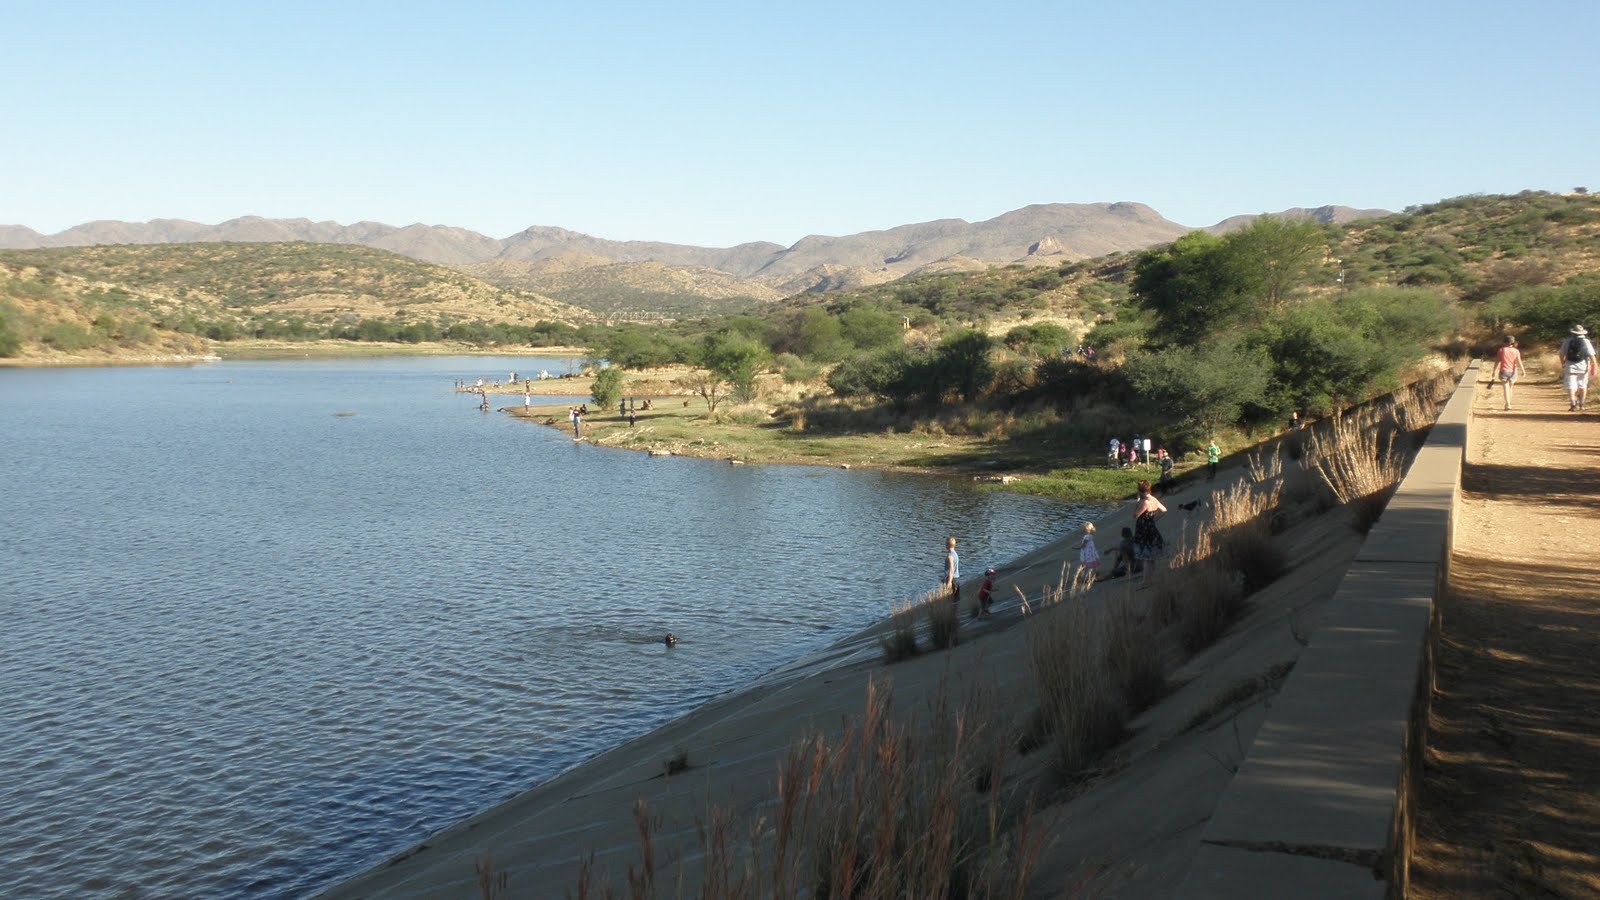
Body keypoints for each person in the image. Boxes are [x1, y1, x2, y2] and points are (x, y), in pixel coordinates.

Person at [1557, 325, 1596, 412]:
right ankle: (1582, 404)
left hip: (1570, 366)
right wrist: (1594, 365)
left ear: (1573, 332)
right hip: (1583, 366)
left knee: (1571, 386)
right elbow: (1592, 355)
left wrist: (1563, 363)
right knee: (1583, 385)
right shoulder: (1586, 341)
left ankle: (1573, 404)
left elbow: (1561, 354)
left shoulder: (1567, 341)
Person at [1132, 479, 1168, 565]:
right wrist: (1154, 519)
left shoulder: (1145, 502)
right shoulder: (1153, 499)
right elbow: (1164, 510)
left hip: (1143, 529)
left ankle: (1148, 572)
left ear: (1140, 490)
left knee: (1146, 556)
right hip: (1151, 526)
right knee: (1152, 554)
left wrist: (1138, 501)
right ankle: (1152, 571)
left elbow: (1135, 515)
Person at [1493, 335, 1526, 410]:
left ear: (1504, 342)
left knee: (1505, 388)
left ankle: (1507, 404)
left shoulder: (1501, 350)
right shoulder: (1516, 351)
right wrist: (1523, 371)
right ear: (1513, 342)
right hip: (1513, 372)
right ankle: (1509, 403)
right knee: (1510, 388)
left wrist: (1494, 371)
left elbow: (1497, 361)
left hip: (1504, 371)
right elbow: (1519, 361)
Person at [942, 536, 961, 601]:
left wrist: (949, 582)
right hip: (957, 578)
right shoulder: (955, 554)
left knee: (950, 598)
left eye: (945, 543)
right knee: (956, 597)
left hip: (952, 579)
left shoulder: (950, 556)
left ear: (948, 545)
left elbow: (951, 569)